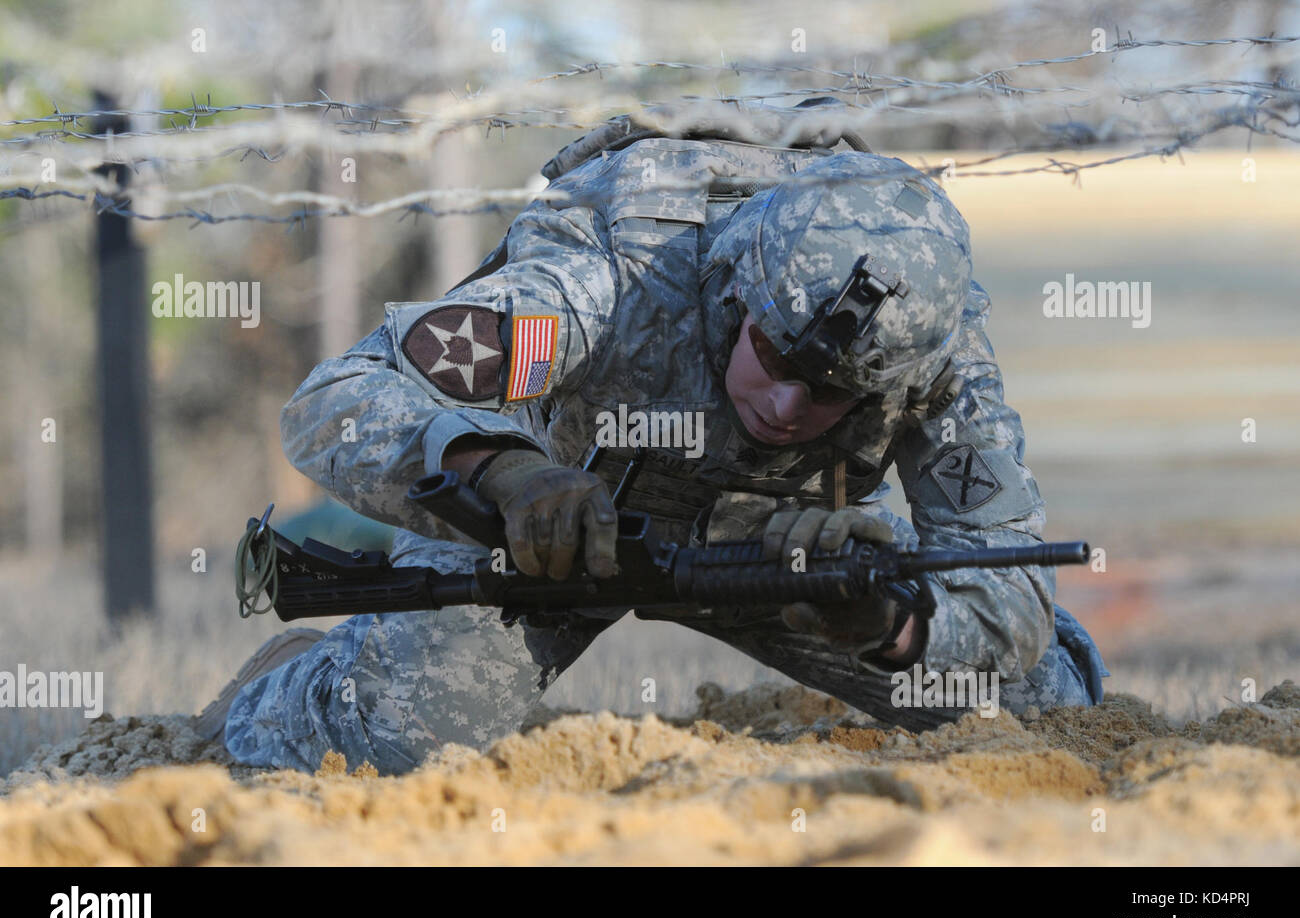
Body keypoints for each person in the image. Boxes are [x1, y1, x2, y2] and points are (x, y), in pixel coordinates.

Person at [198, 102, 1108, 774]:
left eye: (831, 393)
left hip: (784, 560)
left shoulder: (932, 346)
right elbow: (338, 398)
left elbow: (1005, 596)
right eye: (775, 358)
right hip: (555, 530)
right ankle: (295, 682)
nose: (790, 406)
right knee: (396, 740)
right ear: (736, 295)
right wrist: (503, 471)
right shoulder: (616, 274)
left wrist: (889, 624)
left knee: (1027, 704)